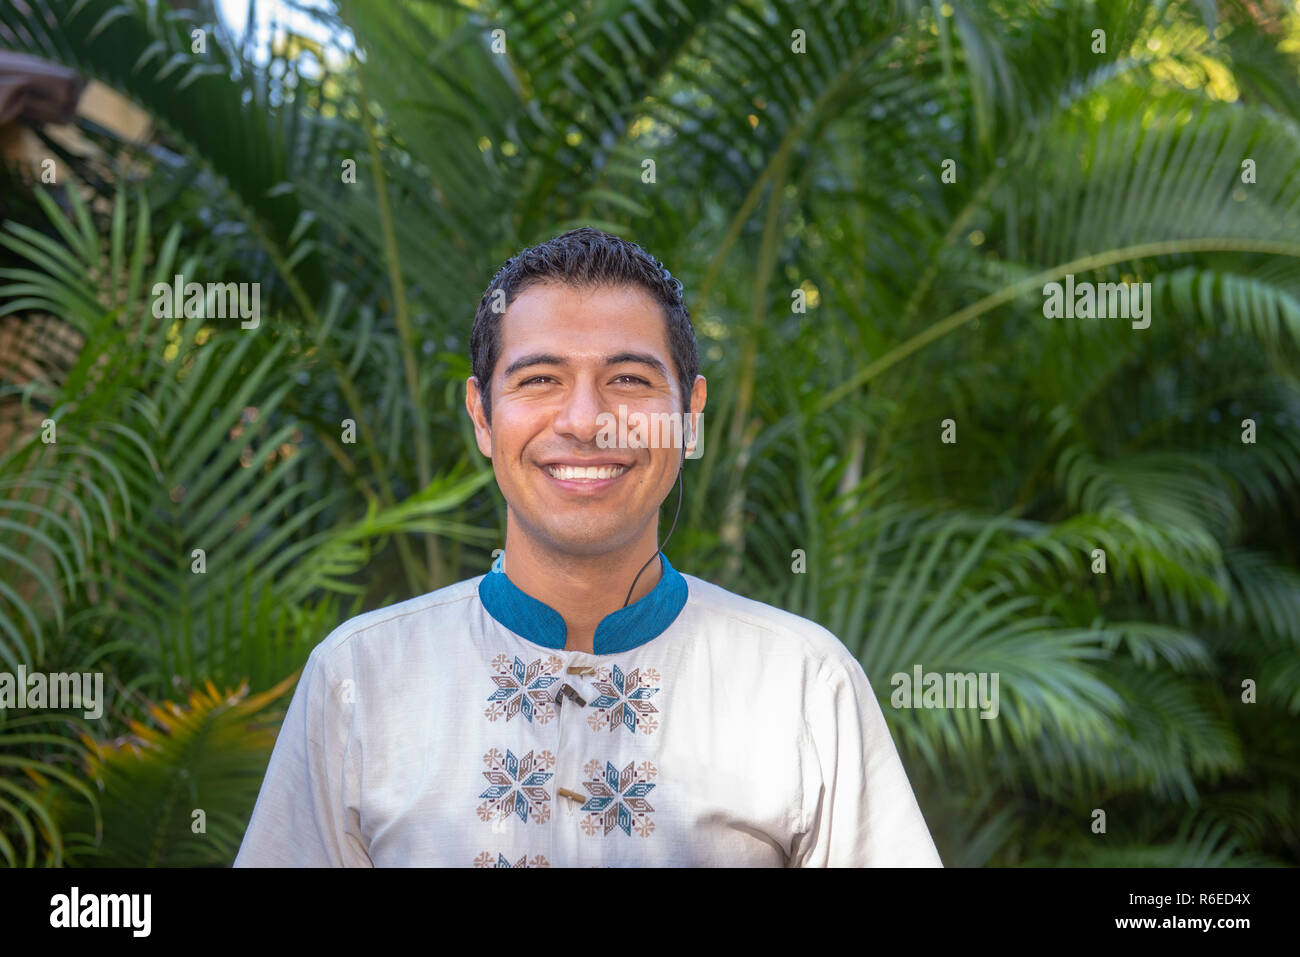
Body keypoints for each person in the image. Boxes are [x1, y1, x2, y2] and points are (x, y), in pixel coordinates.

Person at [233, 227, 942, 867]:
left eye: (628, 379)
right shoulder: (359, 681)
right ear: (482, 415)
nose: (585, 420)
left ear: (690, 416)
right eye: (539, 379)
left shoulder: (802, 686)